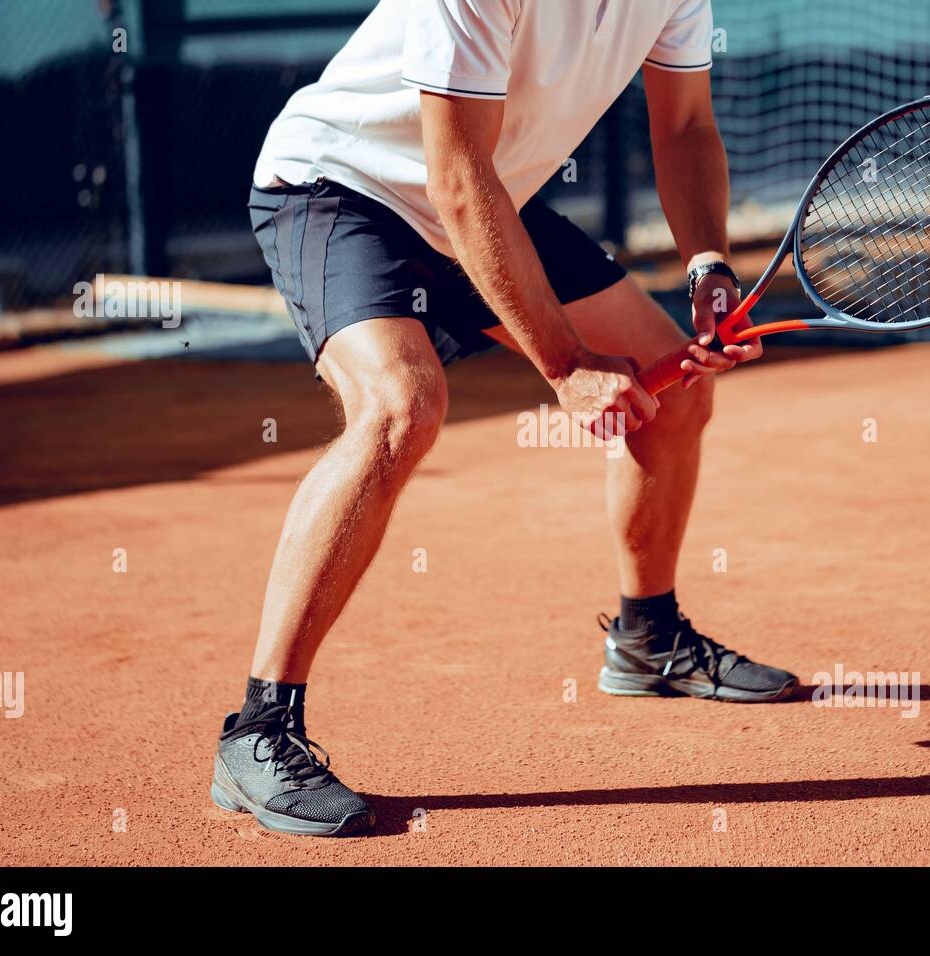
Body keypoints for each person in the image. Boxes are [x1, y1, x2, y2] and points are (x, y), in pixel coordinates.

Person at [211, 0, 798, 838]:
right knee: (400, 409)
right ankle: (260, 729)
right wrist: (563, 364)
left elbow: (686, 127)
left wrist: (707, 259)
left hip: (491, 198)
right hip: (345, 188)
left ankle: (649, 638)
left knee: (677, 387)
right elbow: (453, 175)